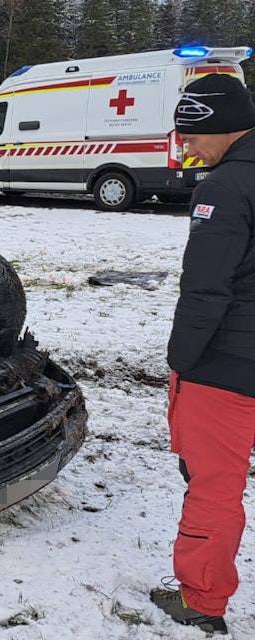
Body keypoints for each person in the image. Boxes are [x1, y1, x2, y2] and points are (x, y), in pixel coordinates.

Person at [152, 72, 255, 635]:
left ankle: (202, 602)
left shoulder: (223, 188)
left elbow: (206, 289)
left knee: (214, 486)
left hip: (225, 365)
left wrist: (182, 360)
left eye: (190, 135)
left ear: (217, 127)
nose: (186, 146)